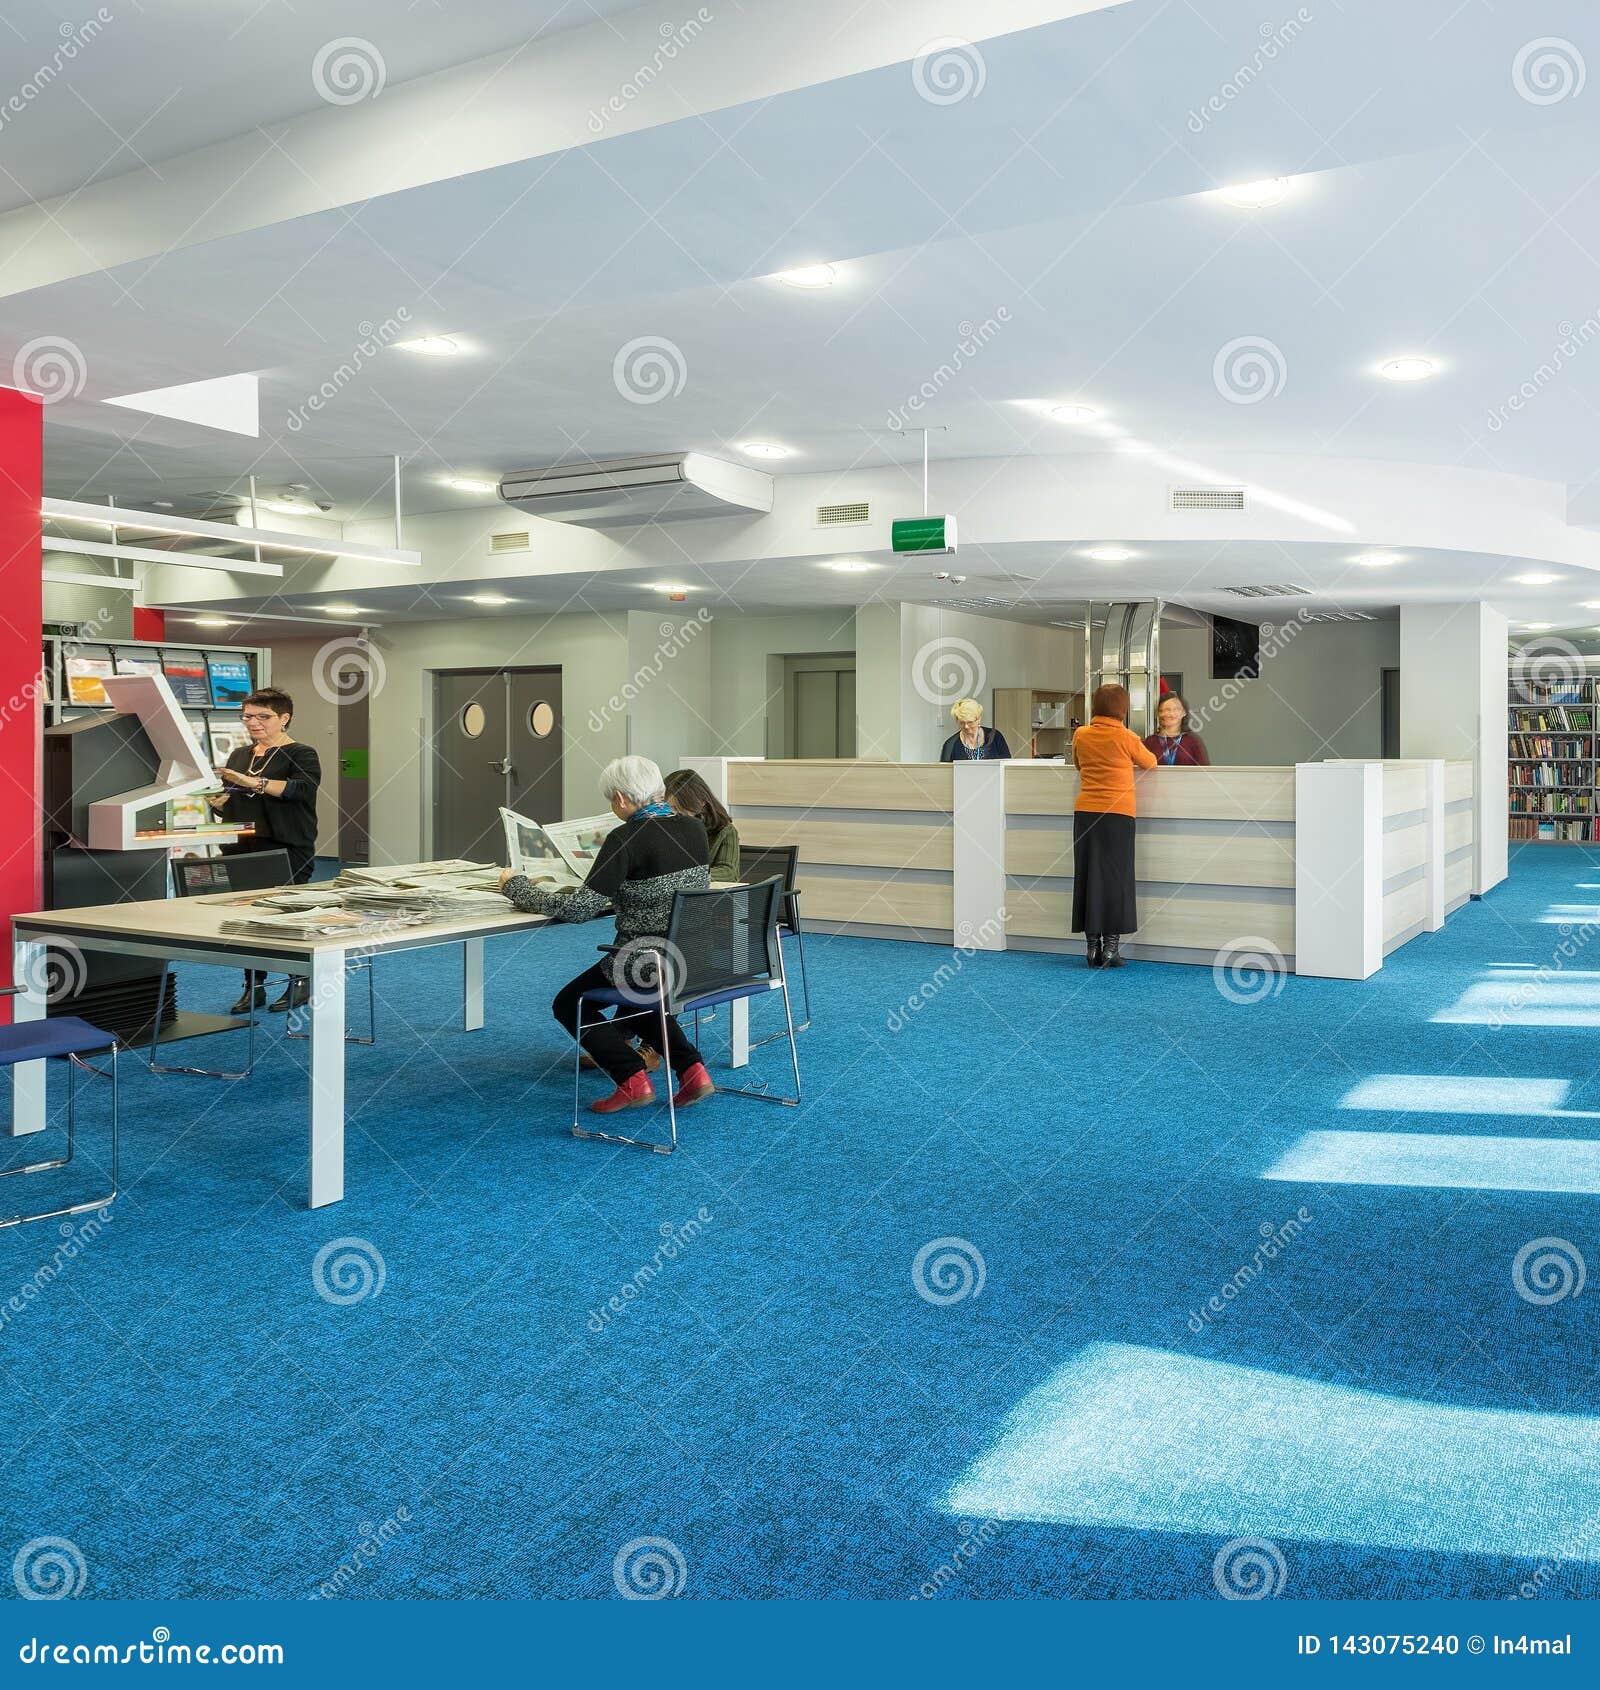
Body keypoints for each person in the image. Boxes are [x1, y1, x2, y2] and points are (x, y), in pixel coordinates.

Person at [498, 755, 715, 1114]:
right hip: (688, 955)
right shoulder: (693, 829)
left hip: (644, 960)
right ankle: (693, 1072)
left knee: (569, 1003)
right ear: (658, 789)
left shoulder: (626, 837)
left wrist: (516, 887)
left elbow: (579, 910)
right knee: (637, 1008)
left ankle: (631, 1079)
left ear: (620, 799)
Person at [207, 687, 323, 1013]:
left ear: (284, 719)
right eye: (248, 716)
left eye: (263, 716)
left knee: (285, 919)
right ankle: (253, 986)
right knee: (246, 920)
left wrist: (250, 783)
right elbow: (232, 801)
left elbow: (300, 790)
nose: (254, 723)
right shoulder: (240, 755)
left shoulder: (302, 753)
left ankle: (299, 982)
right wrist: (217, 803)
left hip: (288, 846)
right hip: (243, 847)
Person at [1071, 682, 1156, 969]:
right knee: (1116, 879)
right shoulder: (1127, 737)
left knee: (1088, 877)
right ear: (1122, 708)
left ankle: (1091, 948)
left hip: (1085, 814)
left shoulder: (1081, 734)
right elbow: (1151, 763)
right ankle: (1111, 949)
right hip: (1118, 815)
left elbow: (1078, 765)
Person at [664, 768, 740, 882]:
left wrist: (687, 878)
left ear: (701, 802)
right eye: (668, 808)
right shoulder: (662, 827)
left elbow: (729, 873)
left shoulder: (725, 831)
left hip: (704, 897)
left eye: (678, 809)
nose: (673, 814)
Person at [1144, 692, 1209, 766]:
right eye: (1163, 710)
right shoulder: (1149, 742)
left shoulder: (1192, 741)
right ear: (1158, 714)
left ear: (1184, 712)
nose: (1169, 714)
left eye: (1175, 709)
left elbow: (1203, 772)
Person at [939, 698, 1011, 762]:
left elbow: (1007, 764)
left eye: (970, 722)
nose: (966, 726)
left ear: (979, 718)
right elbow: (944, 773)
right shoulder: (950, 745)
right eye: (962, 722)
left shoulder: (994, 737)